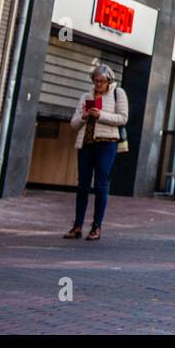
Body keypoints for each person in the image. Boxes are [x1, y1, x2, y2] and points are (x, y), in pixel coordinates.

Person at [64, 64, 128, 241]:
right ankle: (77, 226)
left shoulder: (118, 93)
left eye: (102, 81)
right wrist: (84, 116)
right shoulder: (86, 96)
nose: (98, 84)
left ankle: (96, 226)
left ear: (109, 81)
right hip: (86, 144)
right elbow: (74, 124)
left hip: (106, 144)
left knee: (101, 185)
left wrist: (101, 115)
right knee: (82, 185)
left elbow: (123, 118)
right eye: (96, 81)